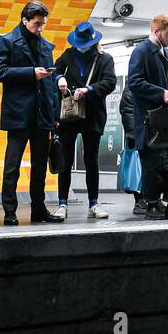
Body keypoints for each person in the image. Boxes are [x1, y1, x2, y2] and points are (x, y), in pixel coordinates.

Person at [0, 1, 62, 226]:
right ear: (24, 20)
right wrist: (31, 73)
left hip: (42, 115)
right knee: (12, 167)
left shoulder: (45, 46)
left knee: (40, 167)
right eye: (37, 24)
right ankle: (9, 212)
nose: (40, 28)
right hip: (18, 114)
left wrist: (54, 115)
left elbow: (49, 83)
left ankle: (38, 210)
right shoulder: (7, 41)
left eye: (43, 24)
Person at [127, 14, 168, 219]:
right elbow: (135, 83)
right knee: (151, 163)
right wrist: (161, 93)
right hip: (149, 119)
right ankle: (152, 204)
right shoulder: (141, 52)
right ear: (156, 31)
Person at [54, 22, 118, 220]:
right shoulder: (67, 55)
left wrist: (89, 90)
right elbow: (54, 71)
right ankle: (62, 203)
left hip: (93, 114)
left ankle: (94, 204)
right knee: (65, 159)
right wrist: (59, 79)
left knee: (91, 159)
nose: (80, 46)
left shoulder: (104, 59)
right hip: (69, 114)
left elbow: (109, 82)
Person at [118, 87, 148, 214]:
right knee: (138, 167)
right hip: (138, 133)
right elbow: (127, 110)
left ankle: (148, 199)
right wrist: (132, 133)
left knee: (145, 167)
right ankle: (139, 200)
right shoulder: (132, 87)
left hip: (148, 131)